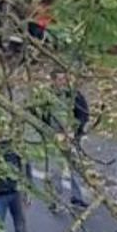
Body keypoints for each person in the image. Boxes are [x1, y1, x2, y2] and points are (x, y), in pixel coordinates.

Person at [37, 69, 91, 210]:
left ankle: (77, 198)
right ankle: (56, 200)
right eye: (60, 79)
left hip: (71, 137)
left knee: (76, 168)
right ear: (53, 80)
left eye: (64, 79)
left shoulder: (73, 94)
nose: (63, 82)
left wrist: (75, 130)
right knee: (56, 170)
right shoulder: (45, 97)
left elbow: (84, 114)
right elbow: (40, 118)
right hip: (55, 137)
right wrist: (51, 133)